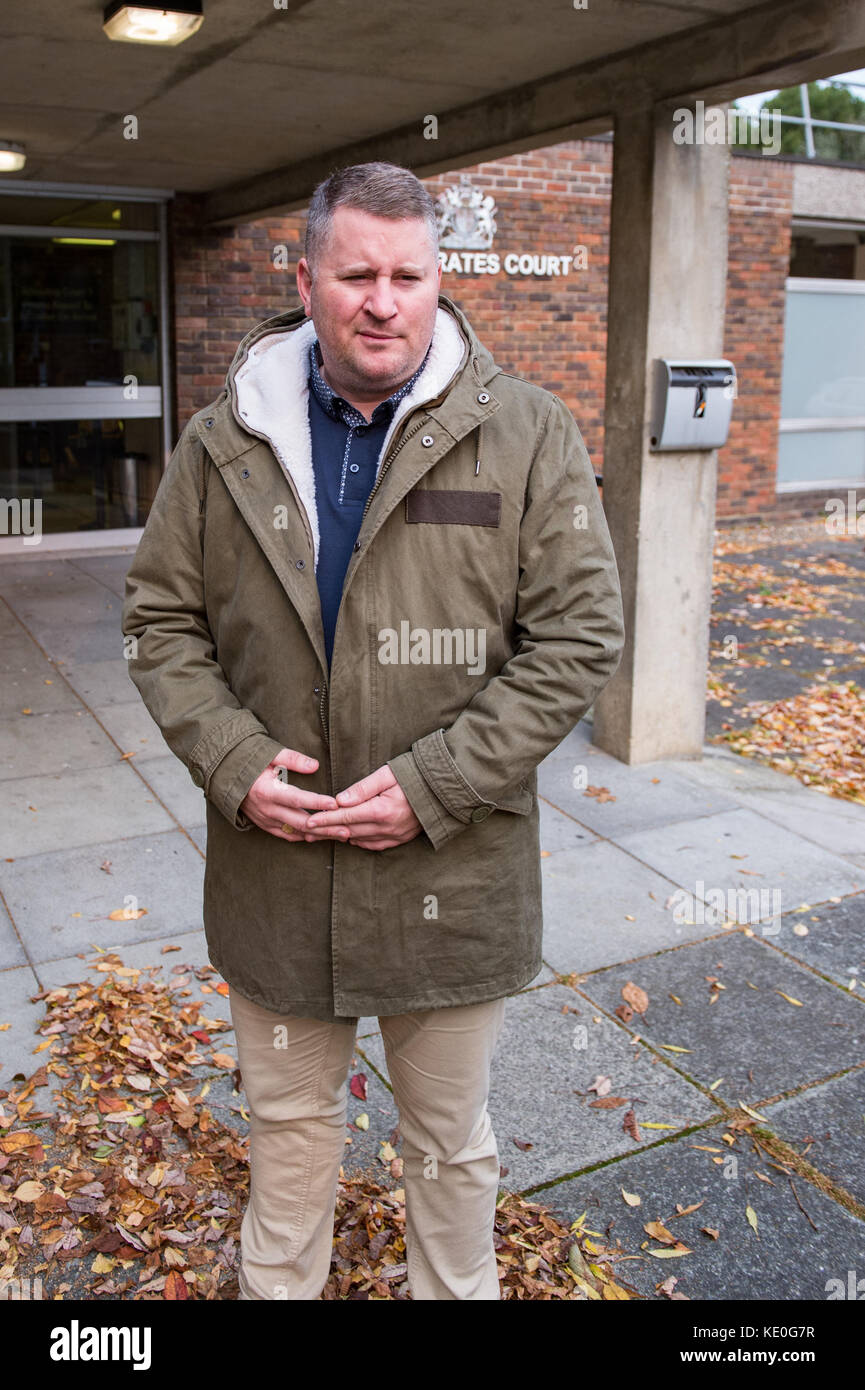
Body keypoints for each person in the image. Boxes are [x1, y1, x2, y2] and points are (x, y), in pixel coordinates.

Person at [121, 160, 625, 1301]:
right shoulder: (222, 441)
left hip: (452, 873)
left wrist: (439, 781)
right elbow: (158, 621)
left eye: (407, 274)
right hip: (277, 875)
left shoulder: (527, 434)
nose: (382, 300)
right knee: (289, 1142)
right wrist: (234, 763)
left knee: (448, 1150)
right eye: (356, 273)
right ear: (306, 280)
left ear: (438, 277)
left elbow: (579, 638)